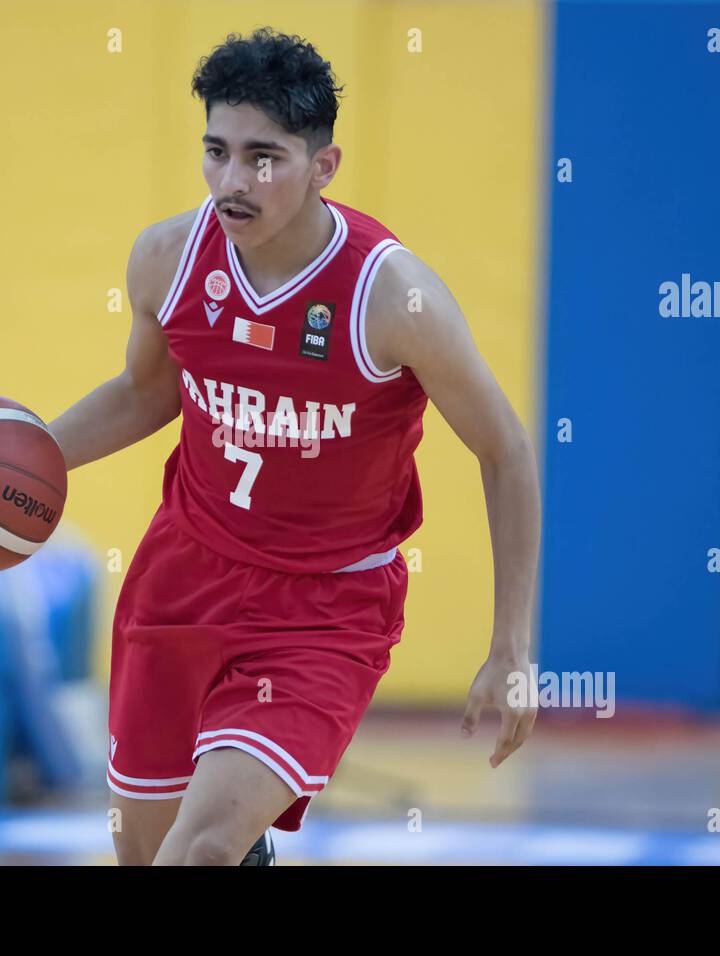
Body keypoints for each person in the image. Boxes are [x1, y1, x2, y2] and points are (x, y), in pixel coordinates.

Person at [43, 28, 542, 865]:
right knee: (146, 854)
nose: (234, 181)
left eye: (264, 157)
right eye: (217, 151)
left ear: (324, 165)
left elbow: (507, 451)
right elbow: (147, 393)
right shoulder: (167, 258)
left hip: (325, 608)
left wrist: (513, 646)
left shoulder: (392, 297)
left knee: (198, 852)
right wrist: (24, 458)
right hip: (182, 578)